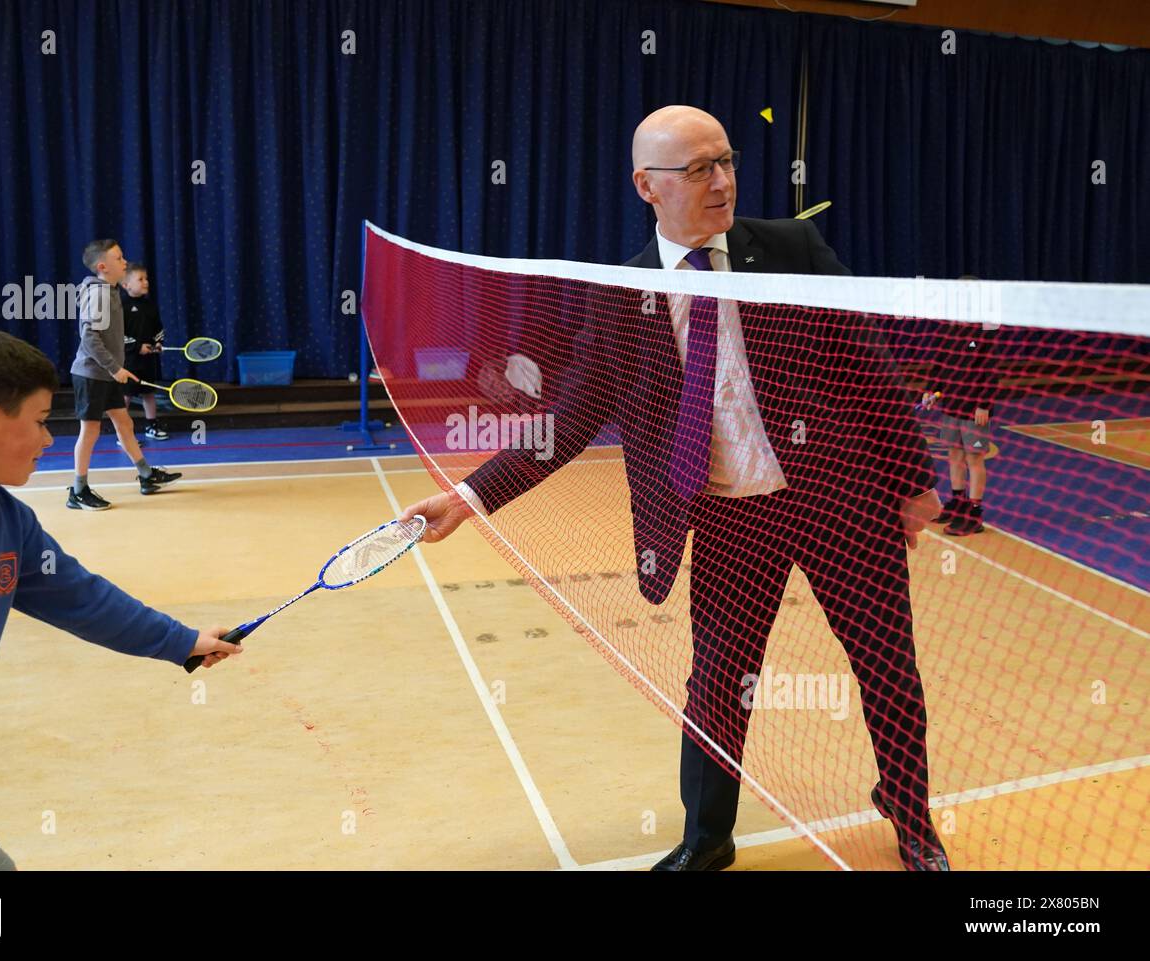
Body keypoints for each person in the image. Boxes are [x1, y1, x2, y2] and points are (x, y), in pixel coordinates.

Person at [400, 106, 949, 871]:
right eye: (697, 169)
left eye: (725, 161)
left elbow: (869, 364)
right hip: (725, 518)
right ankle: (706, 839)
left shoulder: (792, 248)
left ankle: (911, 811)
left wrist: (915, 479)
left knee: (889, 665)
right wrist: (467, 497)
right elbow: (571, 416)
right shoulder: (622, 295)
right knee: (720, 682)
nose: (721, 180)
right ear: (646, 186)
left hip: (837, 501)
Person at [0, 325, 241, 869]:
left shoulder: (4, 520)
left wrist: (179, 641)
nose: (47, 438)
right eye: (37, 421)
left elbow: (78, 596)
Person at [68, 239, 180, 511]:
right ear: (103, 266)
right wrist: (114, 368)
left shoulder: (111, 290)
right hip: (92, 374)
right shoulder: (99, 294)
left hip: (106, 374)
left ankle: (145, 475)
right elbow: (89, 338)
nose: (125, 262)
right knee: (90, 430)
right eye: (119, 258)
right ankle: (78, 490)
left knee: (124, 423)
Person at [925, 277, 997, 535]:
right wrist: (930, 391)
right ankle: (957, 503)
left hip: (973, 409)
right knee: (954, 456)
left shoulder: (986, 329)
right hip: (951, 406)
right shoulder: (949, 328)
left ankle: (975, 514)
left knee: (974, 459)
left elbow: (990, 370)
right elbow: (939, 364)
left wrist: (984, 405)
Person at [120, 261, 168, 443]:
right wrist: (136, 347)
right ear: (126, 285)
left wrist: (158, 342)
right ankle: (123, 433)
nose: (146, 282)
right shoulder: (121, 306)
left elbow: (159, 328)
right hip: (129, 361)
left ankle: (152, 426)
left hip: (148, 360)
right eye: (140, 279)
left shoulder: (150, 305)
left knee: (149, 393)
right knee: (126, 395)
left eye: (146, 278)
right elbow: (118, 335)